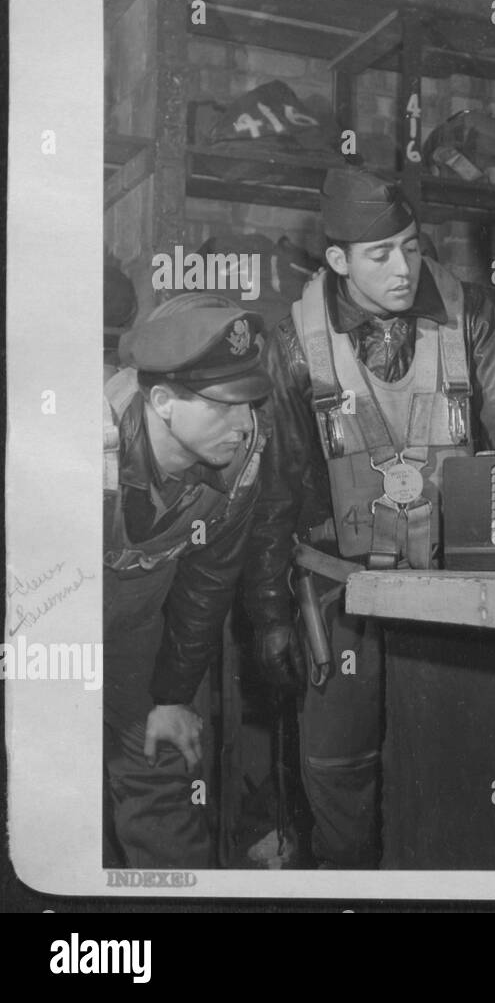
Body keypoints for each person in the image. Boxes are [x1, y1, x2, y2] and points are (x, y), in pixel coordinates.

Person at [243, 167, 495, 868]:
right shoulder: (293, 343)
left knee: (453, 771)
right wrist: (267, 616)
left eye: (411, 247)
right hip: (337, 593)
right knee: (338, 772)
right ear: (339, 260)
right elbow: (275, 492)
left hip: (449, 593)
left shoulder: (466, 311)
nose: (404, 268)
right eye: (380, 255)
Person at [103, 293, 271, 868]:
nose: (243, 425)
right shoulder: (81, 448)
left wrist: (168, 697)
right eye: (223, 406)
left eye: (250, 404)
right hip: (36, 637)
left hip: (133, 636)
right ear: (163, 401)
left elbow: (207, 586)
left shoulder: (243, 459)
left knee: (161, 768)